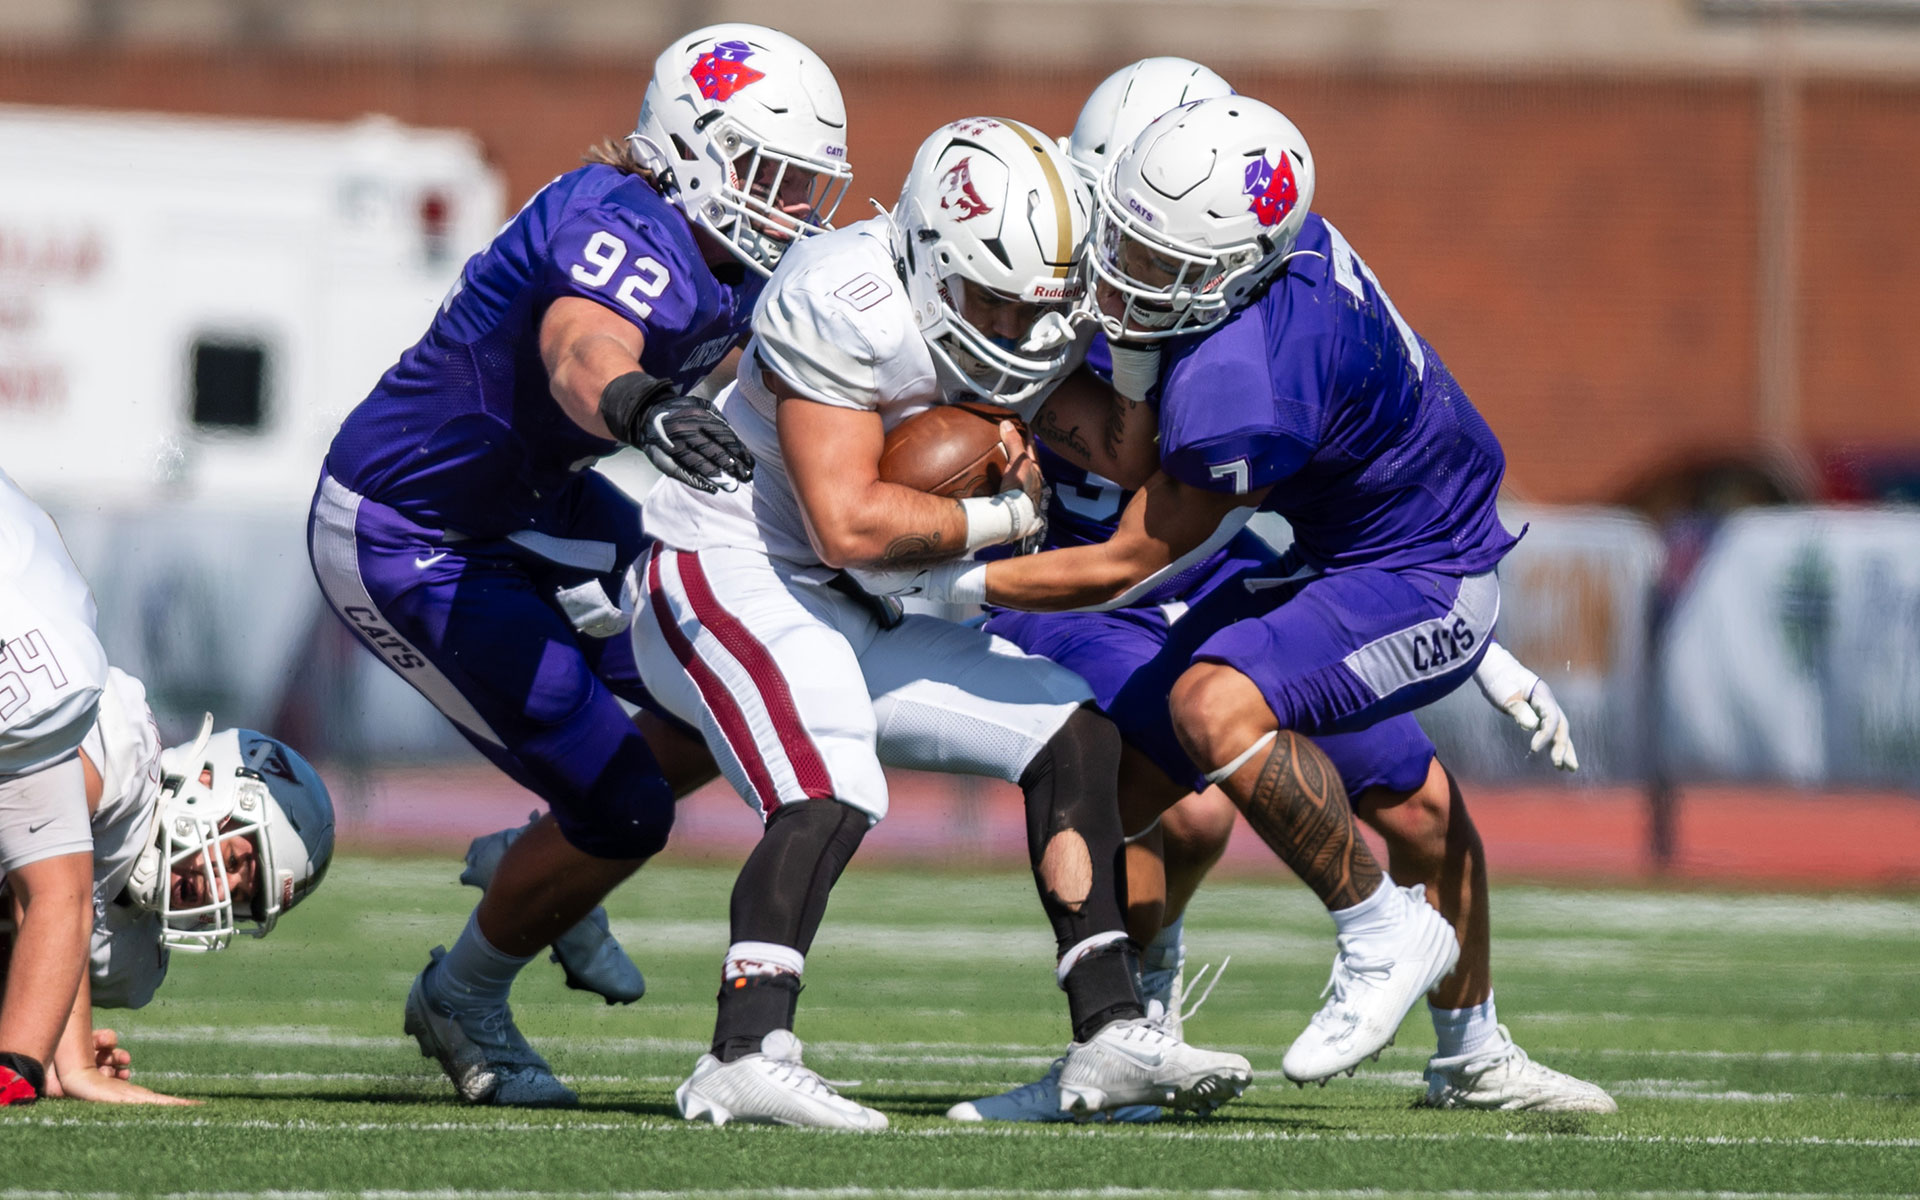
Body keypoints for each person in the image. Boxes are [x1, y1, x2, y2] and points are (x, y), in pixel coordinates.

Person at [856, 95, 1615, 1113]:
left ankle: (1468, 1044)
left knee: (1409, 798)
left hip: (1193, 560)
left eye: (1157, 251)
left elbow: (1152, 536)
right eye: (1118, 222)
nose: (1119, 267)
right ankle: (1128, 1038)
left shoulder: (1240, 364)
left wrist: (949, 579)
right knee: (1110, 803)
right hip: (1096, 578)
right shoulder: (1071, 262)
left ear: (1235, 249)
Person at [629, 115, 1251, 1130]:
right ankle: (743, 1050)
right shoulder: (842, 295)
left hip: (864, 608)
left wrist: (1132, 359)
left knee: (1071, 727)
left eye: (1028, 308)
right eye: (989, 301)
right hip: (729, 571)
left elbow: (1130, 457)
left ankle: (1108, 1034)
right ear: (925, 252)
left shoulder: (1025, 311)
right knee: (831, 780)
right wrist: (1007, 516)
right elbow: (847, 526)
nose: (1012, 330)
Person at [307, 23, 851, 1108]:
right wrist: (640, 406)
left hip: (536, 505)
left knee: (721, 668)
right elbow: (578, 349)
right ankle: (462, 997)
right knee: (629, 811)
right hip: (411, 532)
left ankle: (544, 847)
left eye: (805, 183)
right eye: (768, 174)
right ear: (690, 148)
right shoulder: (624, 227)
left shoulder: (732, 255)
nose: (790, 206)